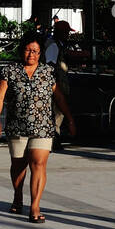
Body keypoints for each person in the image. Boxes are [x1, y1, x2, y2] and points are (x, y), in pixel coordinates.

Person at [0, 33, 77, 223]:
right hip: (17, 125)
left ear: (41, 53)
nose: (32, 54)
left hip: (43, 127)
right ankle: (17, 196)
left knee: (38, 164)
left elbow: (59, 98)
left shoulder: (48, 72)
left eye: (36, 51)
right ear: (22, 50)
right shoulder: (9, 71)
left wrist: (70, 119)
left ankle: (35, 206)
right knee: (18, 165)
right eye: (28, 50)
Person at [43, 21, 72, 152]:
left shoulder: (55, 44)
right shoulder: (53, 46)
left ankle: (54, 140)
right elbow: (50, 65)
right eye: (66, 32)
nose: (68, 35)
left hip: (57, 84)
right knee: (56, 114)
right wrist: (55, 85)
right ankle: (54, 141)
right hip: (56, 85)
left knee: (56, 114)